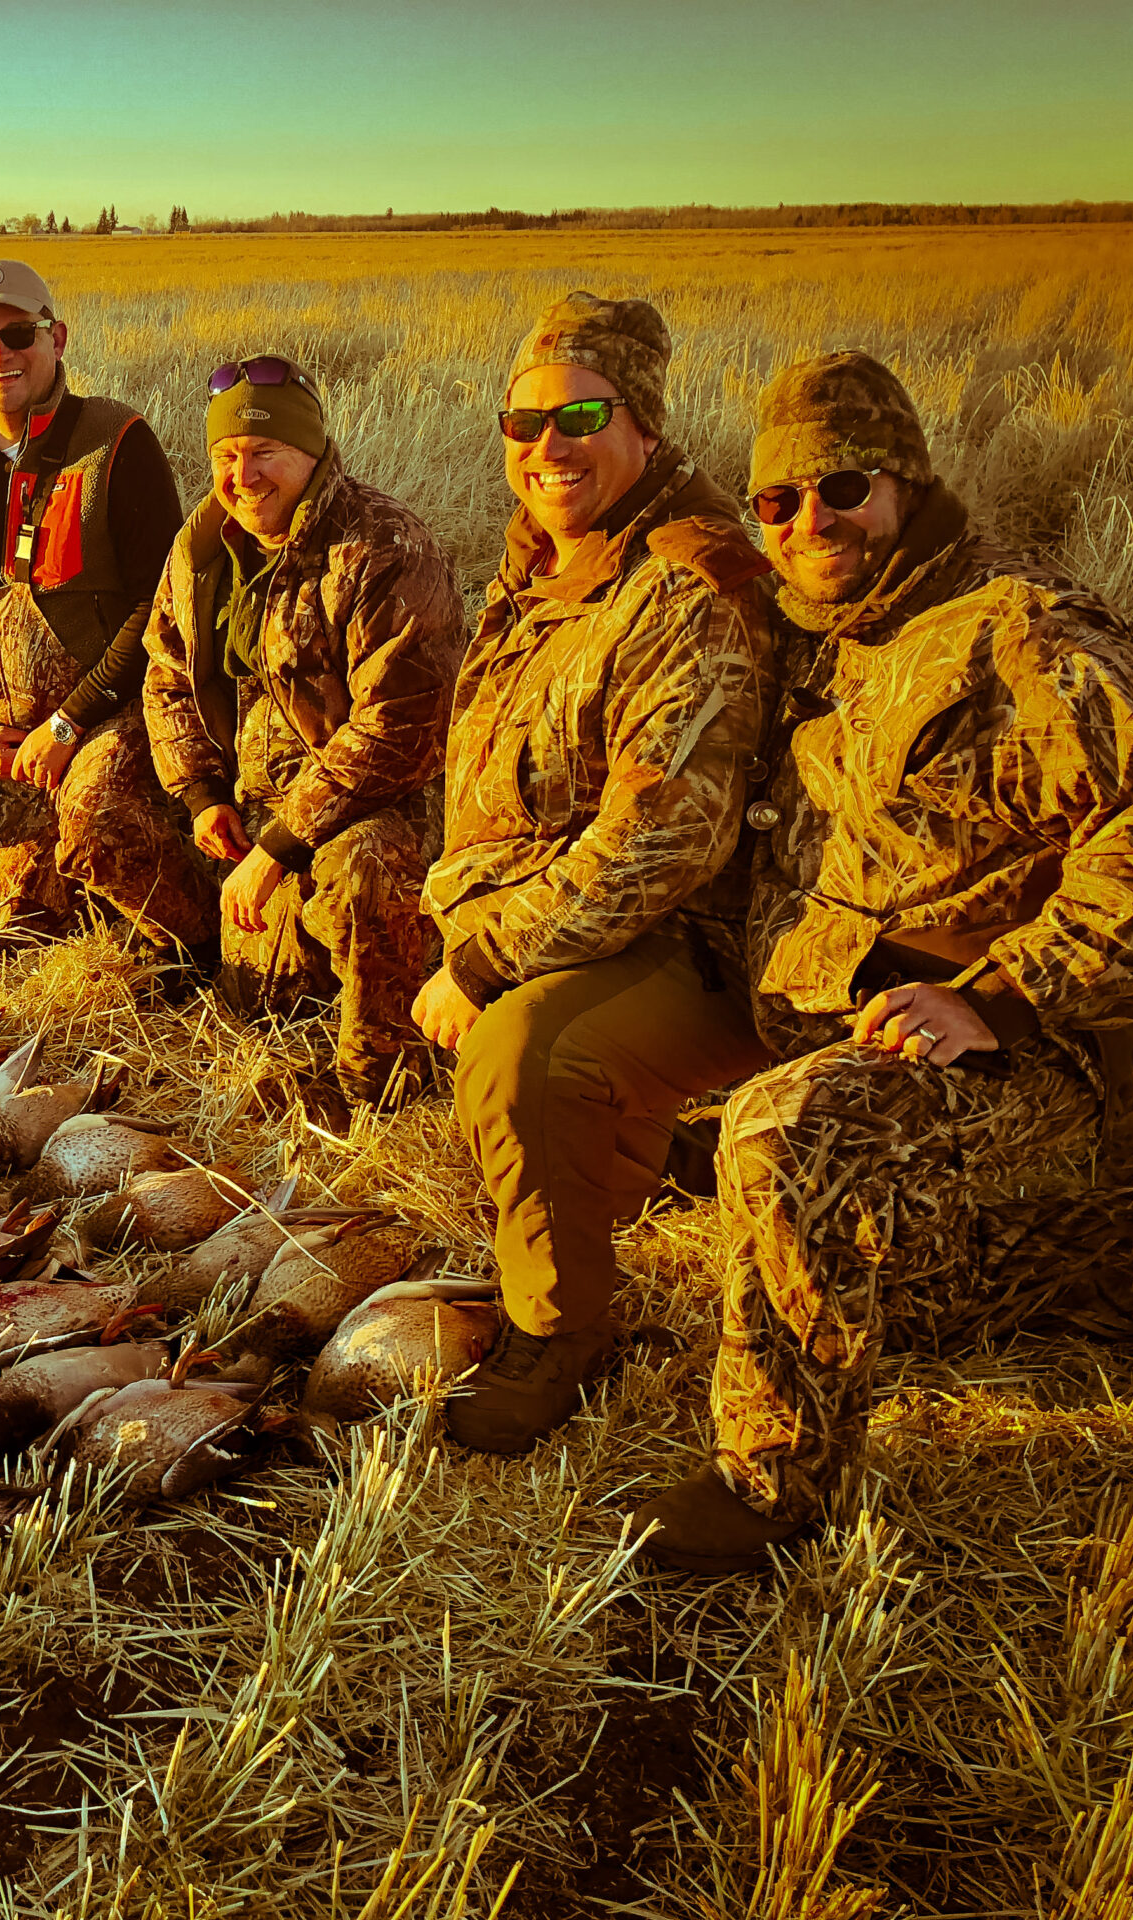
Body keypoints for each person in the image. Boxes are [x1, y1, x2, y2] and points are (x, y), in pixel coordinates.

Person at [632, 351, 1133, 1573]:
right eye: (777, 503)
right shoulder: (820, 635)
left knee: (787, 1139)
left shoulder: (1022, 632)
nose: (808, 521)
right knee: (905, 1283)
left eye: (840, 487)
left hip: (1033, 1036)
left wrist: (1000, 996)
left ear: (903, 481)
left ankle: (773, 1485)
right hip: (862, 1022)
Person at [419, 291, 779, 1455]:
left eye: (581, 415)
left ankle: (563, 1332)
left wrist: (482, 955)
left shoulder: (685, 587)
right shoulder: (549, 561)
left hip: (699, 936)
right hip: (580, 912)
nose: (545, 448)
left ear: (646, 428)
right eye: (521, 424)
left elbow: (660, 844)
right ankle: (632, 1157)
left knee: (521, 1052)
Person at [136, 354, 466, 1110]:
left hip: (377, 806)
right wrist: (201, 796)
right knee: (260, 1003)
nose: (242, 476)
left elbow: (401, 731)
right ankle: (205, 970)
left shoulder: (384, 550)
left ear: (312, 457)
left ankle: (384, 1082)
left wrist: (278, 845)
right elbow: (164, 676)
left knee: (363, 871)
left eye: (265, 454)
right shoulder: (201, 549)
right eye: (225, 455)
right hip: (252, 810)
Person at [0, 259, 215, 951]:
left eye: (19, 334)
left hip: (106, 718)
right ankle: (19, 868)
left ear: (58, 338)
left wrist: (70, 724)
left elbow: (160, 610)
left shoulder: (115, 442)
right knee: (18, 934)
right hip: (4, 747)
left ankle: (205, 945)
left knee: (98, 824)